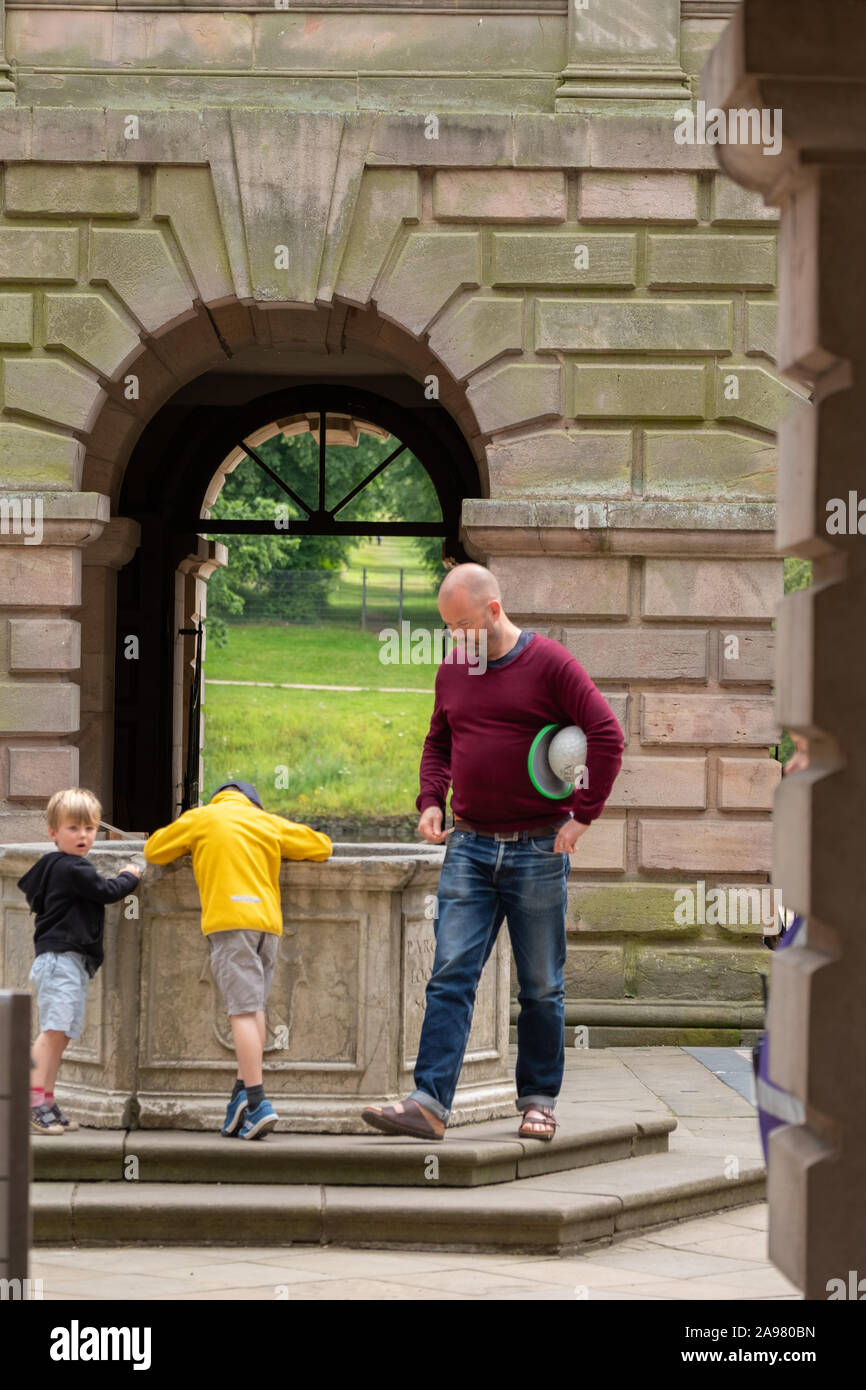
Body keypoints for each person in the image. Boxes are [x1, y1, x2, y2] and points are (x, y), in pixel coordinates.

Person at [362, 563, 624, 1142]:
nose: (455, 639)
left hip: (537, 848)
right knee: (450, 975)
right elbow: (440, 740)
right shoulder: (455, 667)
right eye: (448, 628)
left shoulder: (550, 663)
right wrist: (432, 799)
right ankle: (429, 1105)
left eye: (462, 626)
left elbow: (606, 733)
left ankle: (537, 1102)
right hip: (470, 847)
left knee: (541, 986)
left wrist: (583, 815)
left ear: (494, 611)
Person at [143, 781, 332, 1139]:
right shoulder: (267, 822)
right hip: (268, 926)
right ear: (253, 803)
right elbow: (321, 846)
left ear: (219, 798)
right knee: (255, 1009)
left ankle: (259, 1102)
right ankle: (240, 1098)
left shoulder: (201, 818)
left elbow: (154, 850)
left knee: (242, 1012)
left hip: (230, 922)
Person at [19, 788, 143, 1135]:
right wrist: (130, 876)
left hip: (61, 961)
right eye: (74, 828)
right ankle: (29, 1103)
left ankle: (45, 1100)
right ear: (53, 832)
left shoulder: (51, 865)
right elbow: (107, 892)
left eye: (89, 828)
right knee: (51, 1033)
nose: (84, 835)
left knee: (60, 1036)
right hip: (61, 962)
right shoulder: (73, 867)